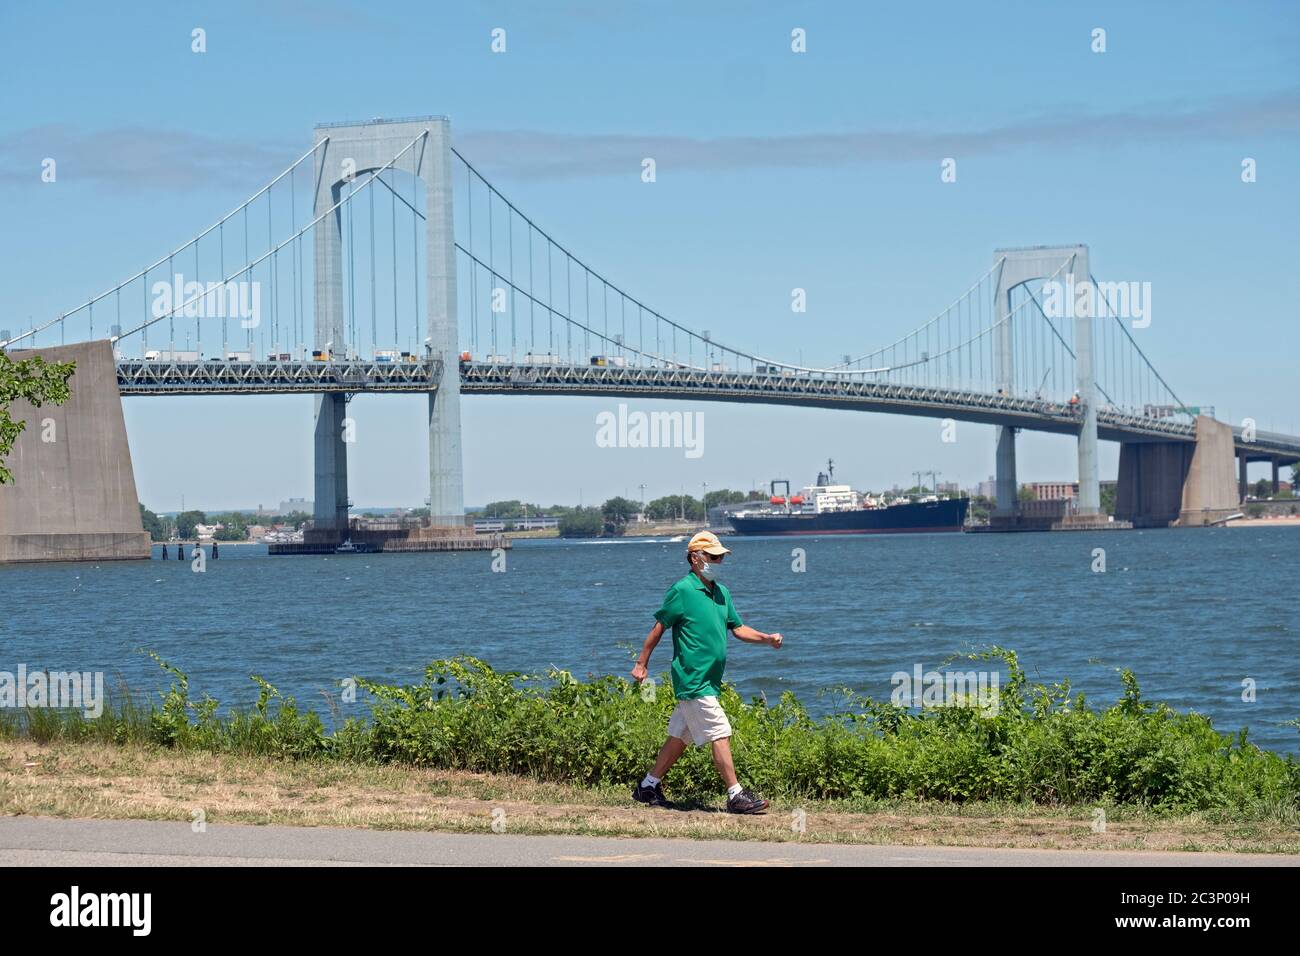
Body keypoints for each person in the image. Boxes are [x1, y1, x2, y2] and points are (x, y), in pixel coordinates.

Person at [630, 531, 783, 814]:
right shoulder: (683, 590)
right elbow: (659, 626)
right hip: (692, 678)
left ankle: (648, 786)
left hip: (710, 680)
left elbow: (737, 629)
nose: (718, 560)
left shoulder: (722, 592)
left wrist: (766, 638)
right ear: (695, 558)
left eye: (720, 556)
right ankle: (735, 795)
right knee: (720, 730)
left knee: (680, 736)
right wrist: (642, 663)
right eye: (713, 556)